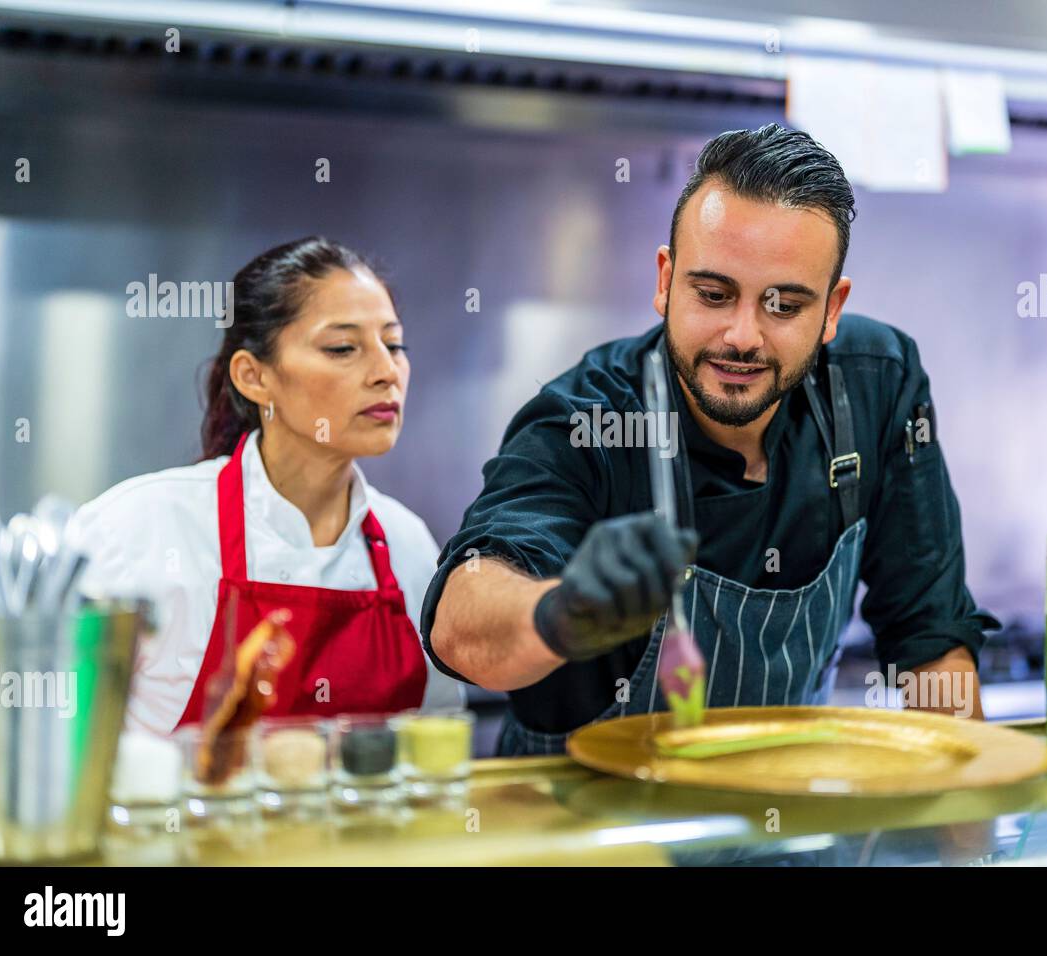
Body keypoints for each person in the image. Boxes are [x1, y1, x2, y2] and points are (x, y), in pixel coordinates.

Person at [423, 124, 998, 757]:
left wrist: (969, 840)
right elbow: (462, 624)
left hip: (781, 830)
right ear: (666, 280)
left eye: (784, 305)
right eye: (714, 294)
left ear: (832, 310)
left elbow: (930, 640)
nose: (743, 335)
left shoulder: (876, 386)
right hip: (588, 831)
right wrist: (563, 610)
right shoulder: (587, 419)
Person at [75, 236, 460, 735]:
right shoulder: (138, 530)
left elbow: (439, 742)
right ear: (254, 377)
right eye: (343, 348)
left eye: (394, 344)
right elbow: (62, 744)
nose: (387, 372)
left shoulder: (408, 545)